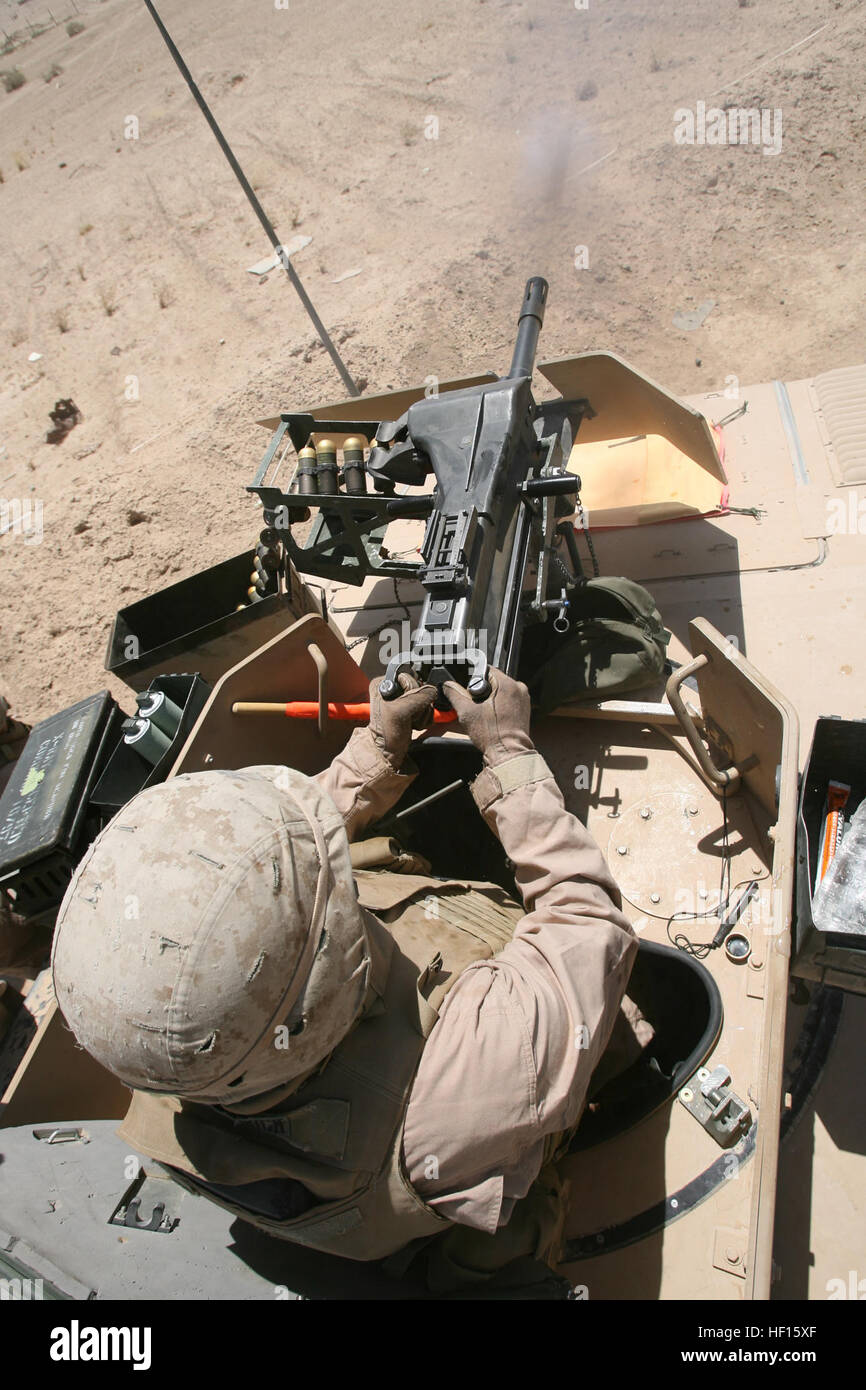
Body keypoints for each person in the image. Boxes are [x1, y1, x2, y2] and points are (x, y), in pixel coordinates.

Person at [51, 670, 639, 1290]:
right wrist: (510, 755)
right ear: (327, 973)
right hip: (474, 1110)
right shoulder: (456, 1096)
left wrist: (375, 751)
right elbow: (588, 923)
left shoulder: (164, 1032)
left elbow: (266, 869)